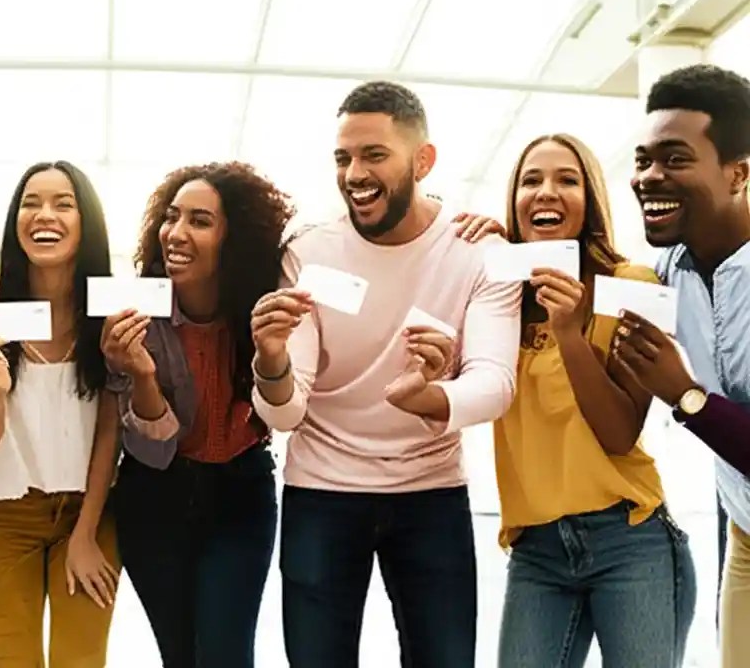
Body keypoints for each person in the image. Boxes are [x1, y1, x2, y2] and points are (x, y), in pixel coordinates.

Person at [250, 80, 521, 667]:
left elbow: (495, 383)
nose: (354, 174)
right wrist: (269, 359)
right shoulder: (308, 251)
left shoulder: (478, 252)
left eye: (374, 155)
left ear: (423, 161)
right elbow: (286, 410)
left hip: (431, 494)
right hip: (322, 492)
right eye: (343, 158)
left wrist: (429, 397)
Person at [454, 133, 695, 667]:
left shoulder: (630, 282)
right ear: (512, 202)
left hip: (630, 539)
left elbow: (619, 432)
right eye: (530, 180)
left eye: (567, 180)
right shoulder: (499, 295)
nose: (546, 192)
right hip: (536, 549)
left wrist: (569, 332)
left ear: (590, 201)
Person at [100, 161, 293, 667]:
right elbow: (152, 446)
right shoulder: (133, 314)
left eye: (200, 221)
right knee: (180, 657)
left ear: (236, 238)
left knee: (227, 655)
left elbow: (282, 409)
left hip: (241, 494)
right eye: (171, 217)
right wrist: (141, 375)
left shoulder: (262, 308)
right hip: (154, 495)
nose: (176, 233)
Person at [609, 63, 750, 667]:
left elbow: (686, 396)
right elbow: (587, 277)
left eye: (674, 159)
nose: (649, 177)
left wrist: (685, 396)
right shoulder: (670, 272)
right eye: (642, 160)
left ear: (738, 172)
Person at [0, 160, 122, 667]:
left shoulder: (110, 307)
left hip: (89, 509)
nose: (43, 215)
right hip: (3, 515)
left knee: (80, 660)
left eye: (62, 203)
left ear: (85, 220)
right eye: (31, 203)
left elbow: (111, 429)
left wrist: (86, 532)